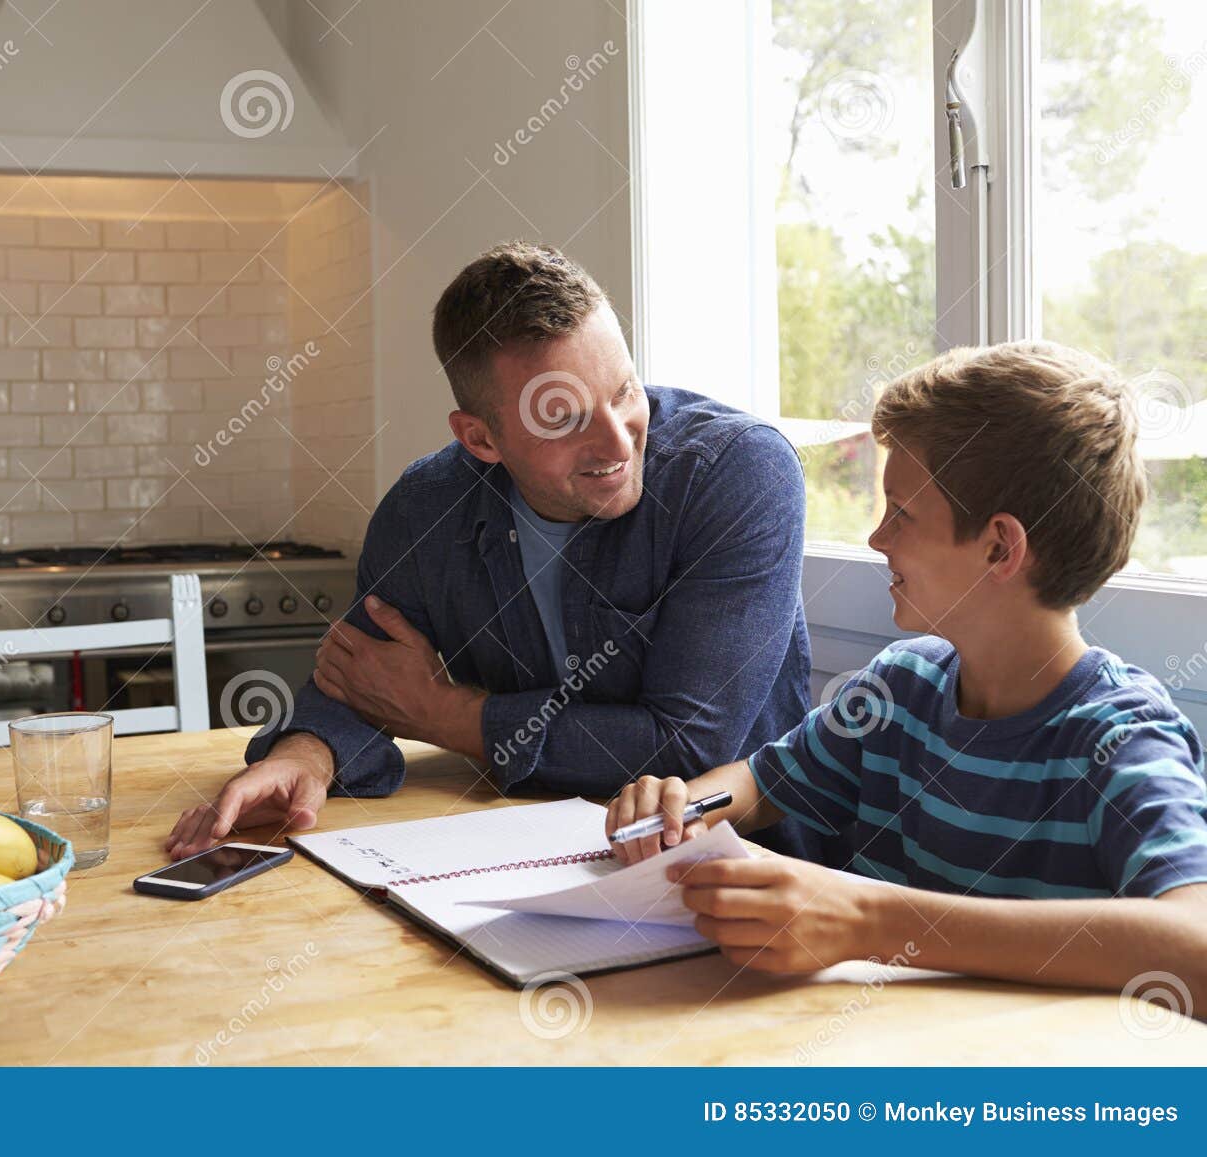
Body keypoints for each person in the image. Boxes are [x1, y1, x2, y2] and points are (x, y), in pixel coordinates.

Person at [168, 241, 821, 860]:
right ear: (481, 438)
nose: (619, 443)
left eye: (624, 392)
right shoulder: (425, 510)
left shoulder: (739, 474)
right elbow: (363, 678)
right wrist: (305, 756)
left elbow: (687, 745)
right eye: (564, 419)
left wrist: (445, 714)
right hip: (520, 864)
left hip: (742, 872)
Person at [605, 341, 1207, 1002]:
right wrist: (682, 805)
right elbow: (756, 783)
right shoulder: (899, 687)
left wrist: (871, 918)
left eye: (902, 514)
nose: (877, 539)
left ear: (1000, 546)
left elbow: (1196, 947)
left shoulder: (1121, 739)